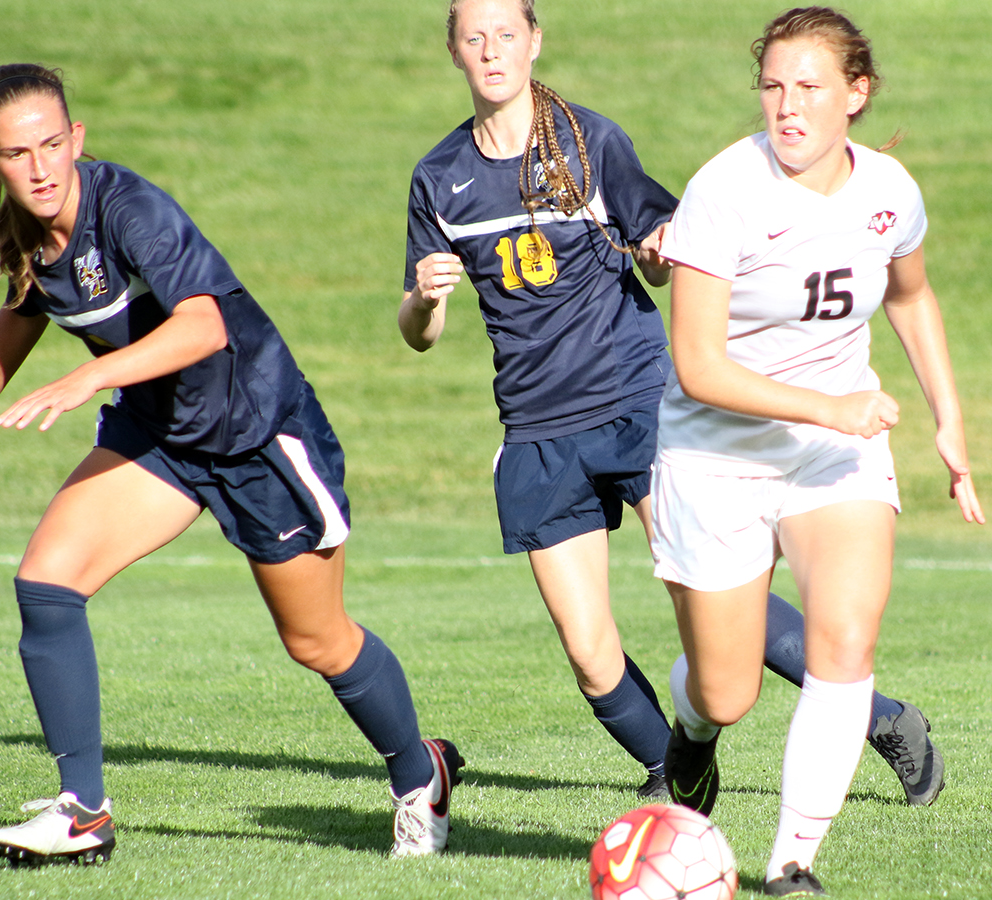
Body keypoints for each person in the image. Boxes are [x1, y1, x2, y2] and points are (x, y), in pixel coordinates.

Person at [398, 0, 943, 807]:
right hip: (538, 429)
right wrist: (421, 299)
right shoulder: (439, 178)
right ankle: (679, 774)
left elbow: (666, 253)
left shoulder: (589, 142)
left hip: (638, 400)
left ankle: (884, 719)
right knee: (588, 652)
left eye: (506, 33)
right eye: (473, 37)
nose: (491, 50)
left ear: (534, 40)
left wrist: (658, 250)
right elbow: (419, 332)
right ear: (453, 51)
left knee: (714, 593)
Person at [0, 64, 461, 867]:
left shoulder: (127, 208)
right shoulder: (27, 228)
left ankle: (421, 777)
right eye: (16, 153)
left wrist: (89, 377)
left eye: (50, 145)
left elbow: (206, 327)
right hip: (159, 437)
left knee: (318, 642)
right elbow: (26, 302)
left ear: (76, 138)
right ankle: (83, 813)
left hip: (257, 437)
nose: (38, 168)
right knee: (45, 583)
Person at [650, 7, 987, 895]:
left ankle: (791, 865)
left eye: (809, 88)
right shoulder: (722, 191)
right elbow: (696, 367)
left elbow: (911, 298)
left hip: (832, 458)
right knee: (725, 692)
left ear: (856, 95)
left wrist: (948, 419)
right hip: (714, 457)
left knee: (845, 640)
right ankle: (691, 739)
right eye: (772, 87)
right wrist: (830, 407)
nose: (787, 108)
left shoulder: (889, 190)